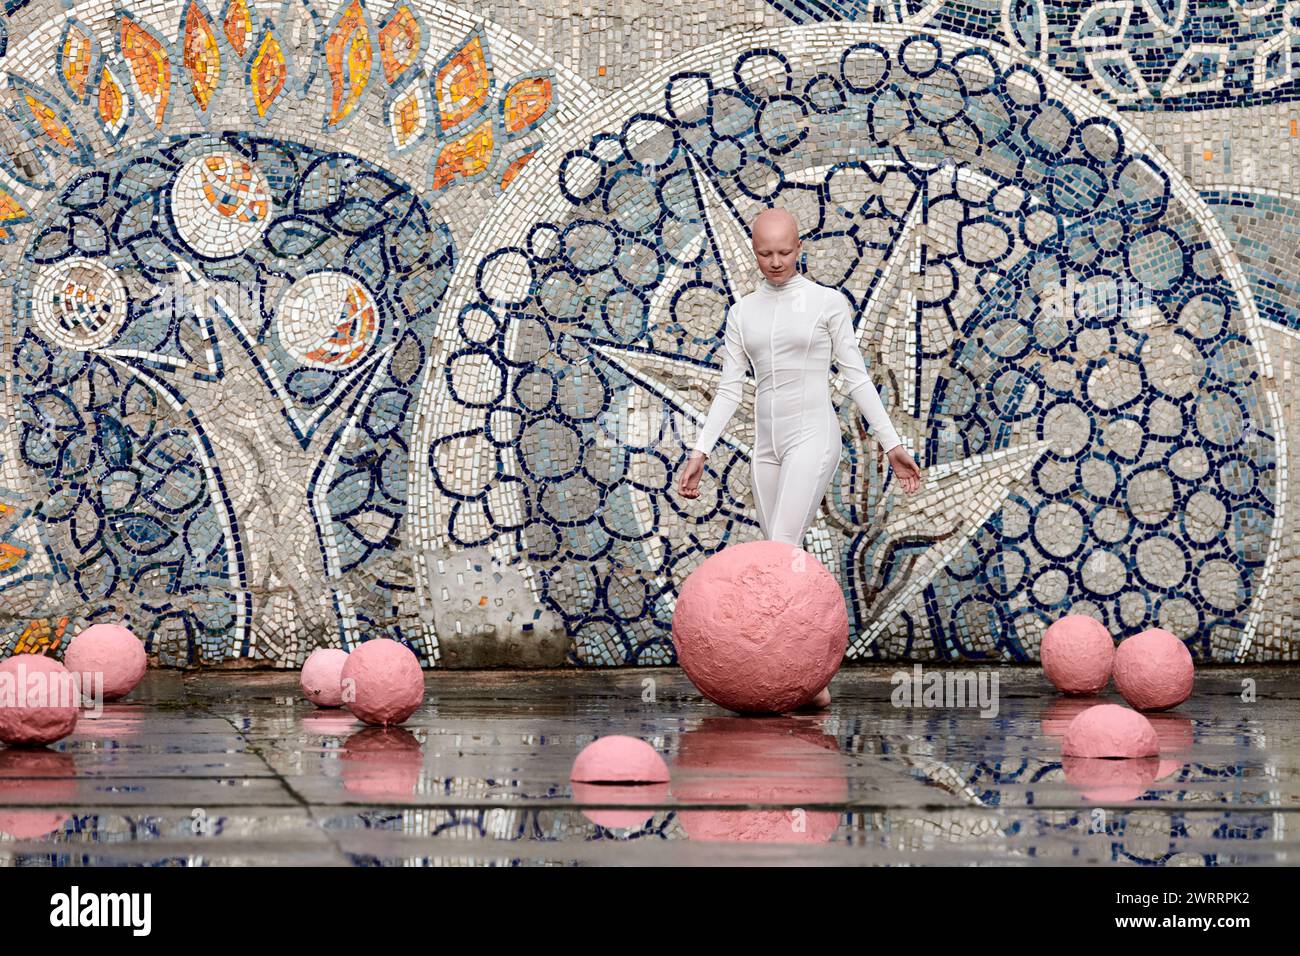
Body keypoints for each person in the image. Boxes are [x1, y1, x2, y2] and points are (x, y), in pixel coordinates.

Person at [675, 207, 923, 708]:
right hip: (765, 446)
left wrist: (893, 445)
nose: (775, 261)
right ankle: (806, 672)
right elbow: (729, 388)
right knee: (776, 554)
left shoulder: (826, 303)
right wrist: (701, 450)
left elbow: (855, 376)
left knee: (782, 548)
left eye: (785, 251)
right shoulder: (741, 312)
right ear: (752, 249)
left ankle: (783, 675)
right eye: (765, 252)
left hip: (814, 435)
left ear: (800, 246)